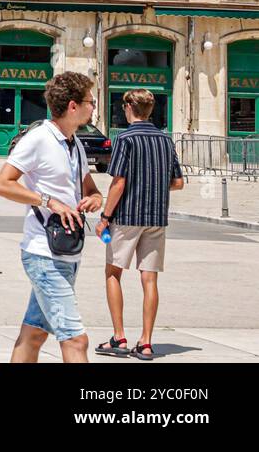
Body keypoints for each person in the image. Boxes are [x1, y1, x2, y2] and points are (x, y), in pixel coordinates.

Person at [0, 71, 104, 363]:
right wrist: (49, 201)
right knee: (76, 339)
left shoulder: (74, 143)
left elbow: (91, 188)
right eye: (90, 102)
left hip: (68, 253)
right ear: (72, 106)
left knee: (34, 334)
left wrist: (94, 198)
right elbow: (2, 184)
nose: (93, 107)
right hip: (43, 253)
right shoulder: (39, 138)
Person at [94, 89, 184, 361]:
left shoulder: (125, 138)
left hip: (127, 217)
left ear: (130, 106)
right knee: (149, 278)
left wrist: (104, 218)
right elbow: (178, 182)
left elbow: (118, 182)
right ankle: (146, 342)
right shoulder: (165, 140)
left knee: (113, 273)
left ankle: (119, 337)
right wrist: (153, 184)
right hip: (156, 218)